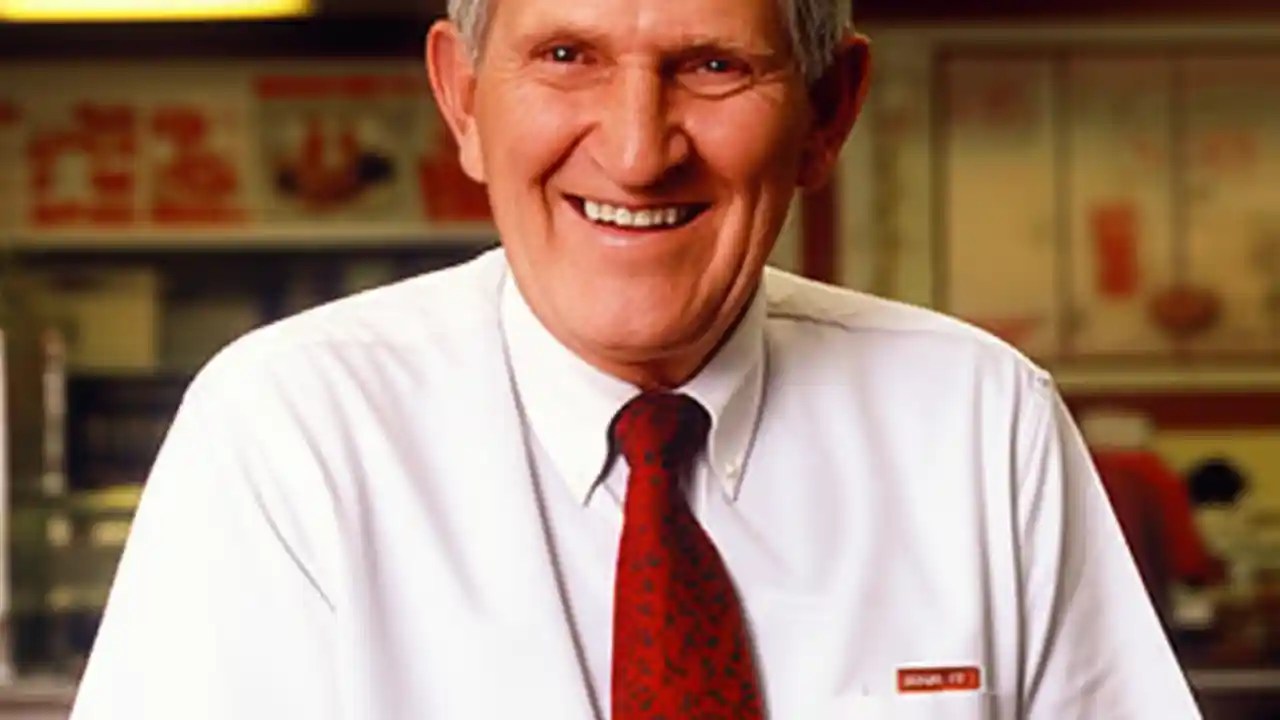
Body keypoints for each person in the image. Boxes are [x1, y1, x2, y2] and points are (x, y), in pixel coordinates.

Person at [70, 0, 1200, 717]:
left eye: (710, 66)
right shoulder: (292, 430)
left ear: (827, 111)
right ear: (461, 99)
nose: (633, 149)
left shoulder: (975, 421)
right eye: (565, 55)